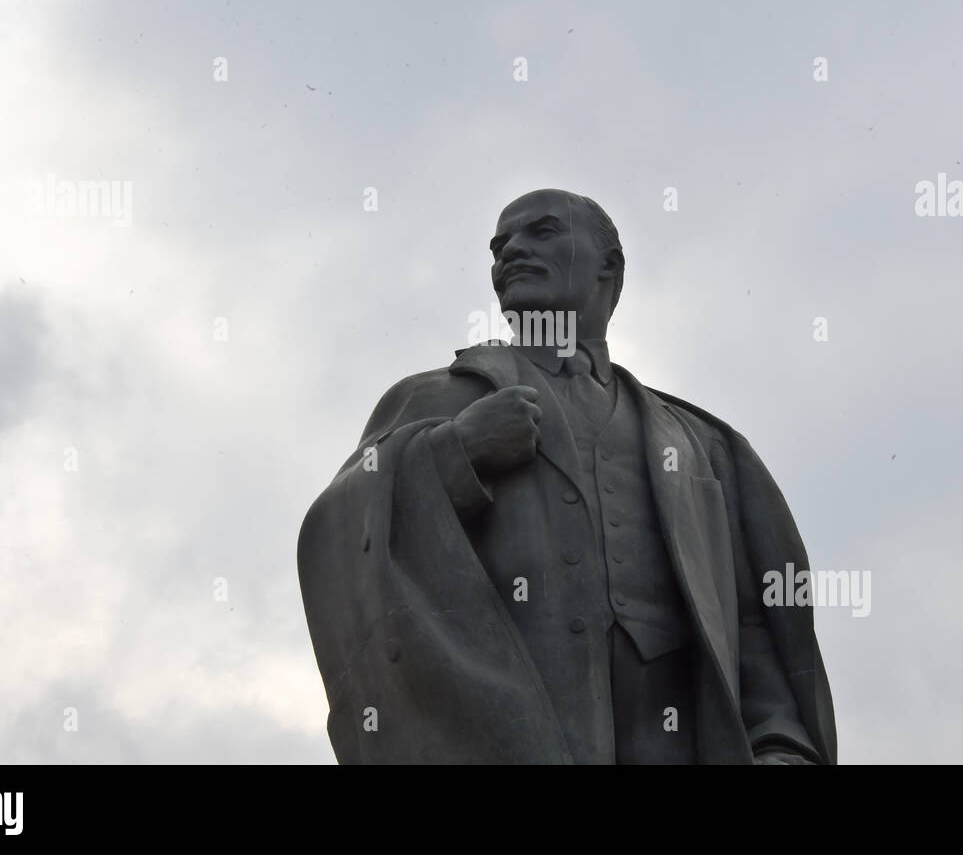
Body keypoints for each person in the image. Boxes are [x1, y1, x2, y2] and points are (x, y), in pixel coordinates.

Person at [297, 188, 836, 764]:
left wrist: (782, 748)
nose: (511, 253)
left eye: (543, 232)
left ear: (611, 266)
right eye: (499, 246)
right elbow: (335, 540)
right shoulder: (437, 400)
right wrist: (455, 452)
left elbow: (756, 628)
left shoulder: (703, 446)